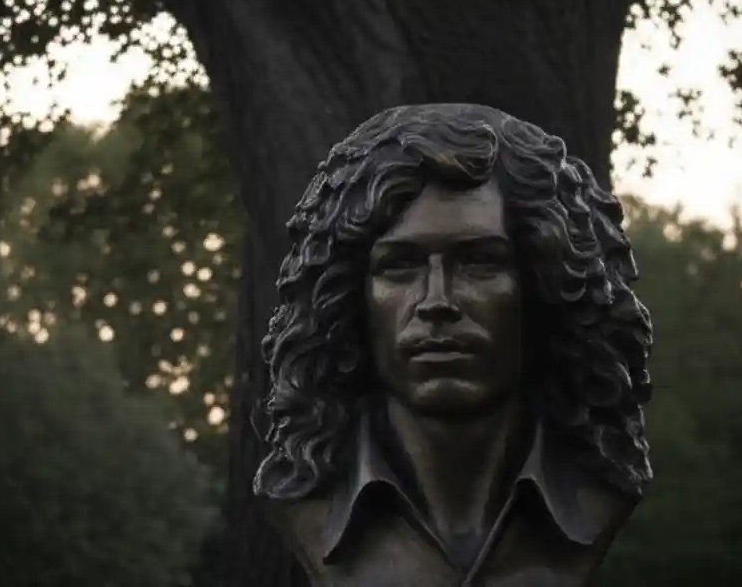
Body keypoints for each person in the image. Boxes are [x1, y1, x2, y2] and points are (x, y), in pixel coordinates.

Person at [254, 103, 653, 586]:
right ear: (349, 300)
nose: (437, 301)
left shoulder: (598, 490)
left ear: (544, 285)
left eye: (480, 262)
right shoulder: (309, 503)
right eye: (399, 266)